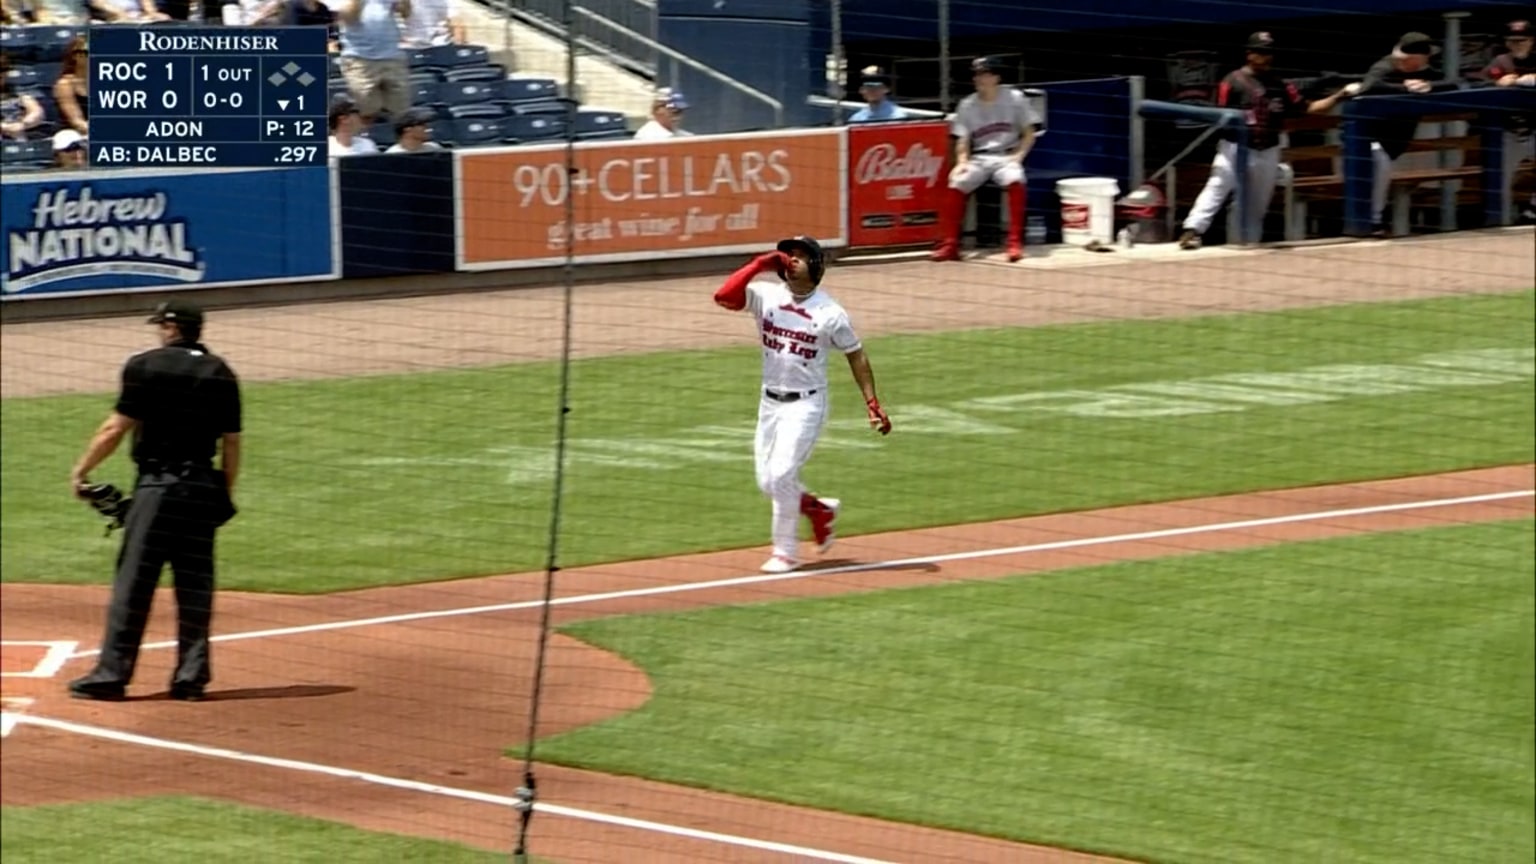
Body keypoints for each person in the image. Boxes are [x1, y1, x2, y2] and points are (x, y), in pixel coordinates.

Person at [68, 301, 242, 703]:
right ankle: (191, 678)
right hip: (202, 487)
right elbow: (231, 443)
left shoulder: (145, 365)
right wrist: (223, 494)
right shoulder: (221, 372)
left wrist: (81, 471)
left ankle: (112, 676)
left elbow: (116, 427)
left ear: (171, 327)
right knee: (196, 585)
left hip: (157, 487)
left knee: (135, 582)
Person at [712, 236, 892, 574]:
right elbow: (724, 297)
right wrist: (758, 265)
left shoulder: (830, 313)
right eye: (788, 255)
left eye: (800, 256)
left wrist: (872, 401)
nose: (791, 260)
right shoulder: (767, 295)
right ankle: (818, 510)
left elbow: (857, 355)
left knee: (781, 475)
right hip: (769, 402)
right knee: (768, 482)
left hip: (806, 405)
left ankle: (785, 552)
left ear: (817, 266)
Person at [1178, 32, 1352, 249]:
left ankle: (1250, 243)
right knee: (1219, 184)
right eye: (1261, 52)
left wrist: (1339, 96)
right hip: (1234, 146)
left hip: (1267, 149)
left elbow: (1307, 108)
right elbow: (1218, 113)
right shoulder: (1232, 81)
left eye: (1269, 52)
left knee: (1258, 203)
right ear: (1249, 54)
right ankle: (1192, 230)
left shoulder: (1279, 84)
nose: (1266, 57)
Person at [931, 56, 1039, 263]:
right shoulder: (967, 104)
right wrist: (962, 161)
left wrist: (1018, 156)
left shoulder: (1014, 98)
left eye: (984, 74)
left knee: (1015, 179)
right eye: (977, 74)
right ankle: (950, 245)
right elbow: (962, 139)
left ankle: (1014, 243)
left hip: (1006, 154)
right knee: (957, 182)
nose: (979, 78)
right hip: (979, 157)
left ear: (996, 77)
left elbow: (1029, 132)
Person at [1355, 31, 1440, 236]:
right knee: (1380, 161)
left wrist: (1429, 86)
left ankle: (1377, 218)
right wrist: (1404, 88)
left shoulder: (1424, 71)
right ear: (1412, 58)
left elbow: (1455, 82)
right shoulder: (1384, 67)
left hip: (1395, 140)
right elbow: (1370, 86)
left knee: (1386, 161)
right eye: (1424, 56)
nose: (1428, 59)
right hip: (1365, 138)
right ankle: (1374, 221)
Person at [1483, 19, 1536, 221]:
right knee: (1500, 179)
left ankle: (1532, 212)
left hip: (1533, 129)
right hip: (1509, 130)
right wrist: (1497, 83)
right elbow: (1477, 81)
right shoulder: (1501, 62)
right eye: (1513, 41)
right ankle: (1500, 222)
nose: (1518, 44)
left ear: (1531, 41)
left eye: (1522, 40)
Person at [335, 0, 412, 124]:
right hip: (360, 59)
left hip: (392, 57)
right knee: (366, 109)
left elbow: (406, 12)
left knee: (401, 110)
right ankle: (369, 139)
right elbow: (348, 17)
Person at [1, 53, 46, 141]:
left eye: (3, 70)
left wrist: (23, 124)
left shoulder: (19, 93)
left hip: (16, 132)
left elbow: (36, 112)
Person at [52, 35, 90, 138]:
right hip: (75, 135)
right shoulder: (65, 84)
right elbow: (77, 122)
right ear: (74, 56)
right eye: (87, 53)